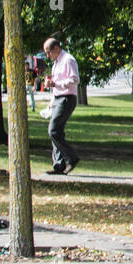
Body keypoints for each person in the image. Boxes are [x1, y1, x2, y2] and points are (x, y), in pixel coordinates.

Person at [43, 37, 80, 175]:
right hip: (58, 98)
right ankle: (58, 165)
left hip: (67, 98)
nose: (48, 55)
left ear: (56, 48)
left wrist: (56, 84)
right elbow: (56, 84)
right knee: (57, 132)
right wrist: (51, 101)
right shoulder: (56, 63)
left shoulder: (68, 60)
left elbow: (75, 79)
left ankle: (72, 158)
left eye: (48, 52)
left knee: (53, 131)